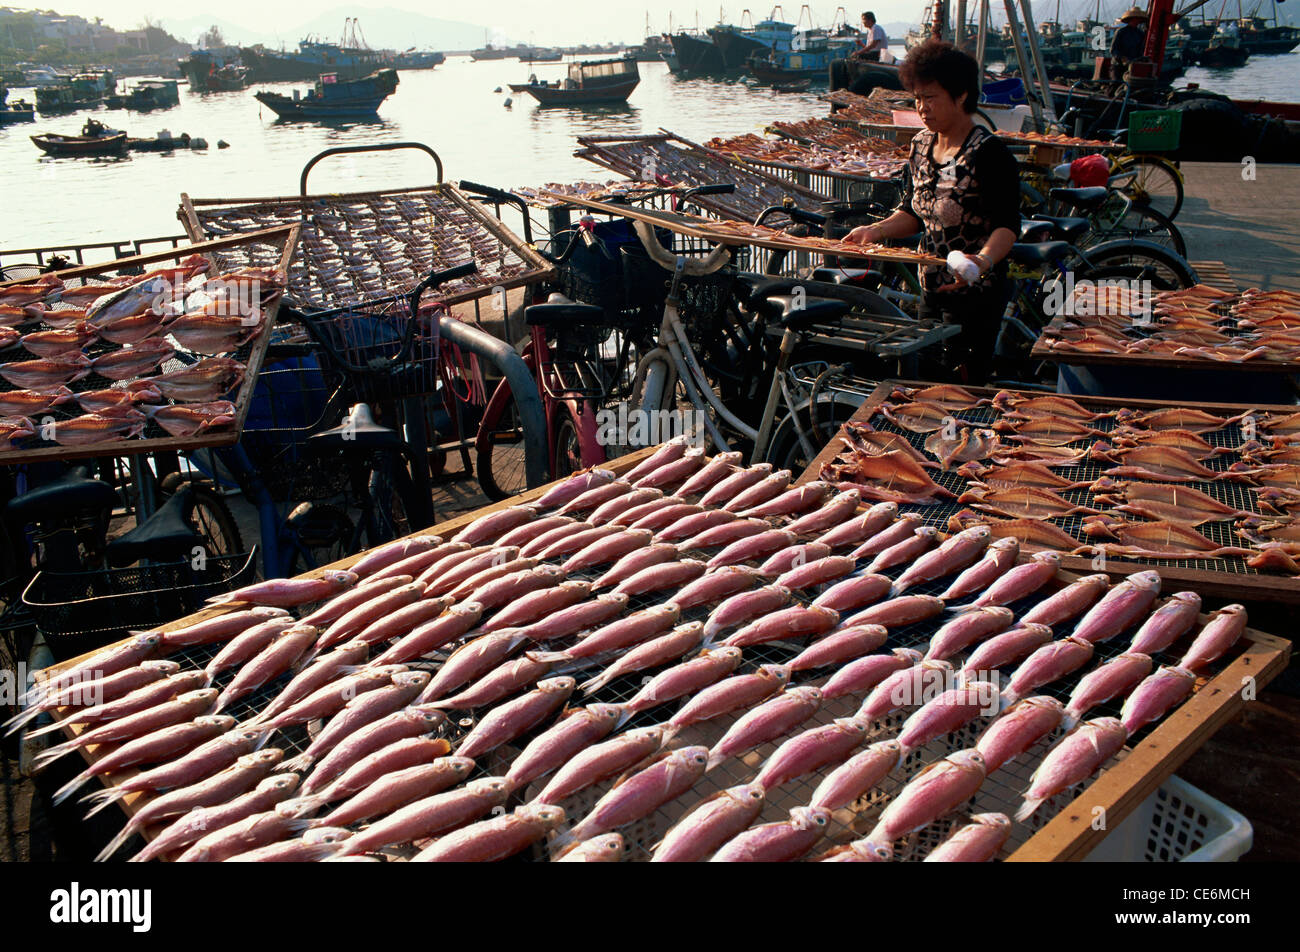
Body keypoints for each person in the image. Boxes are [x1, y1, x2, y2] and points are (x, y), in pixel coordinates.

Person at [844, 39, 1019, 384]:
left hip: (975, 295)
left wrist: (980, 262)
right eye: (917, 98)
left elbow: (1008, 225)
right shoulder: (921, 145)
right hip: (930, 288)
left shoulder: (987, 152)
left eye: (931, 97)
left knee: (964, 387)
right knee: (924, 381)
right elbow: (912, 211)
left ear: (961, 96)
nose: (922, 108)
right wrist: (874, 231)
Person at [1110, 6, 1149, 80]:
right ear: (1130, 19)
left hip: (1133, 66)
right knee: (1115, 84)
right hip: (1118, 65)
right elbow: (1113, 50)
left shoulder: (1140, 34)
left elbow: (1141, 50)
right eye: (1135, 19)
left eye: (1138, 19)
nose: (1137, 21)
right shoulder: (1121, 31)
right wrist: (1122, 58)